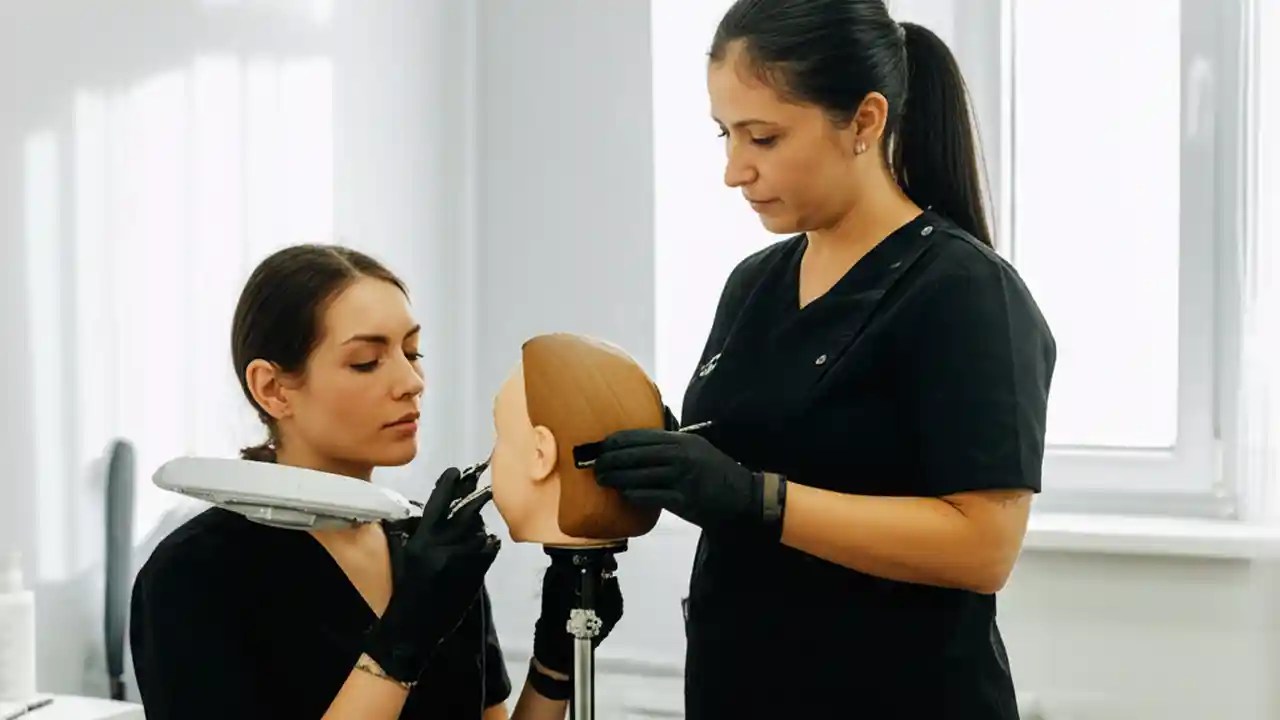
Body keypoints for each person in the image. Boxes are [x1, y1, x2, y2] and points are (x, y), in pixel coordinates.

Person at [590, 1, 1056, 717]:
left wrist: (758, 500)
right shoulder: (754, 285)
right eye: (725, 134)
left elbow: (983, 547)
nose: (735, 170)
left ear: (865, 121)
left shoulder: (962, 291)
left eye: (764, 137)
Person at [130, 244, 622, 720]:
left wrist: (554, 663)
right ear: (273, 389)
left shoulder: (433, 548)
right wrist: (403, 641)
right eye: (366, 361)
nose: (412, 382)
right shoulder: (193, 573)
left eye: (413, 352)